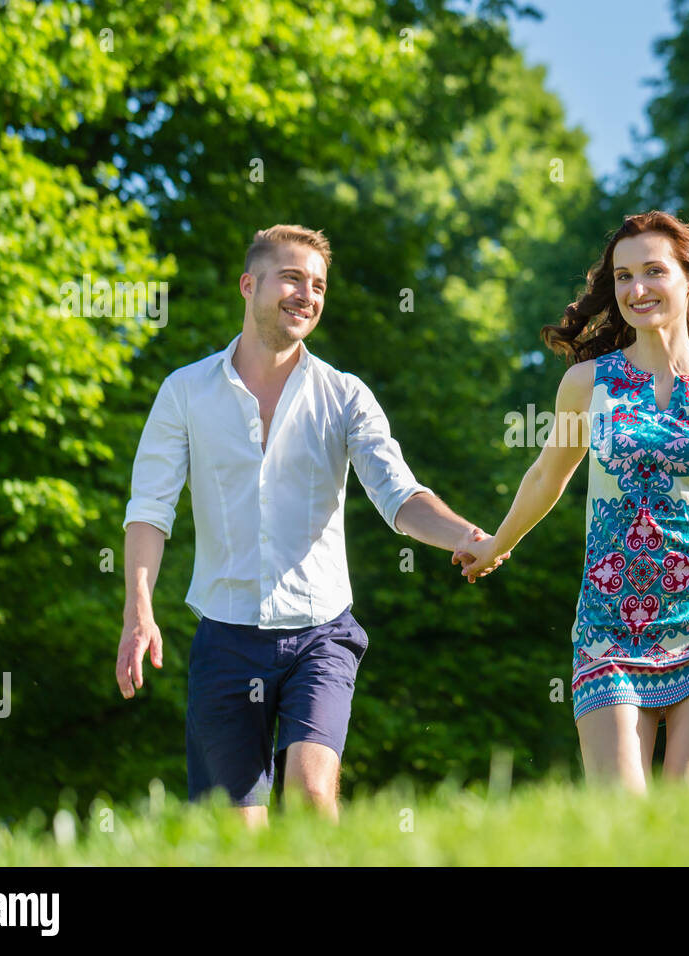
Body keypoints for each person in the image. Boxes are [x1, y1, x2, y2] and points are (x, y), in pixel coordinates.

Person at [116, 224, 506, 827]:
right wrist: (138, 609)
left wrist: (466, 536)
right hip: (224, 638)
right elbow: (149, 509)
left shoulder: (344, 395)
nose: (307, 294)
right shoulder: (185, 392)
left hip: (322, 634)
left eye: (318, 285)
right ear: (250, 285)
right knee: (235, 835)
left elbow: (398, 493)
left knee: (310, 790)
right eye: (292, 278)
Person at [458, 211, 689, 793]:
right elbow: (546, 477)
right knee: (621, 819)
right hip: (608, 625)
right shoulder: (587, 384)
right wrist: (496, 544)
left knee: (686, 818)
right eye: (622, 277)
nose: (635, 289)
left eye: (652, 271)